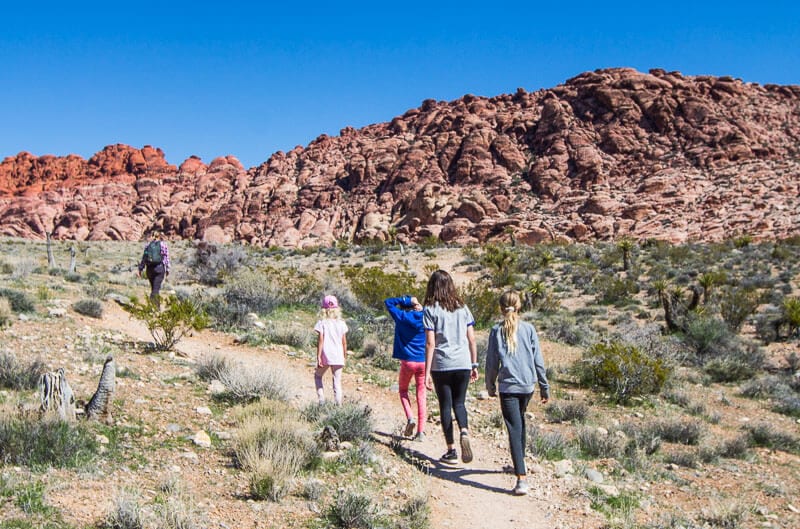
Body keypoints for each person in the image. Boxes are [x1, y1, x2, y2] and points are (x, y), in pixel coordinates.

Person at [485, 290, 550, 496]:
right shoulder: (529, 329)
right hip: (527, 385)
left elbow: (492, 362)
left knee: (514, 427)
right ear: (519, 306)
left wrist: (490, 384)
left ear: (500, 307)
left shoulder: (496, 330)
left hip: (509, 387)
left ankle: (521, 478)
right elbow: (538, 360)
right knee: (519, 421)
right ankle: (519, 461)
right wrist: (544, 385)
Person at [423, 270, 478, 464]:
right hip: (462, 362)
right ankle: (464, 430)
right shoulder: (462, 307)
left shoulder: (430, 309)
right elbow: (471, 338)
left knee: (445, 405)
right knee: (460, 403)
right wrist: (474, 363)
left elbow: (430, 343)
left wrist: (427, 372)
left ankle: (451, 450)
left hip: (442, 363)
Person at [385, 295, 427, 441]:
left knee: (403, 390)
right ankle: (421, 432)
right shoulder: (425, 317)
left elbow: (388, 302)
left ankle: (410, 418)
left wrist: (407, 300)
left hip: (407, 362)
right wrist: (420, 306)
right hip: (423, 362)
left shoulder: (401, 316)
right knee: (421, 395)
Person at [314, 295, 348, 405]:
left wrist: (318, 356)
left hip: (326, 354)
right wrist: (344, 356)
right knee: (337, 382)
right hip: (338, 355)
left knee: (318, 376)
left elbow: (320, 340)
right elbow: (344, 342)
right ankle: (338, 406)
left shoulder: (322, 323)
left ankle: (321, 400)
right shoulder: (342, 323)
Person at [136, 232, 170, 308]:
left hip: (149, 270)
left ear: (152, 236)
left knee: (154, 288)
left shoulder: (148, 245)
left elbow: (144, 258)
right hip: (159, 269)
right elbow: (166, 257)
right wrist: (167, 269)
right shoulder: (163, 245)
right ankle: (153, 307)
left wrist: (140, 270)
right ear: (159, 237)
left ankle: (156, 307)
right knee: (156, 289)